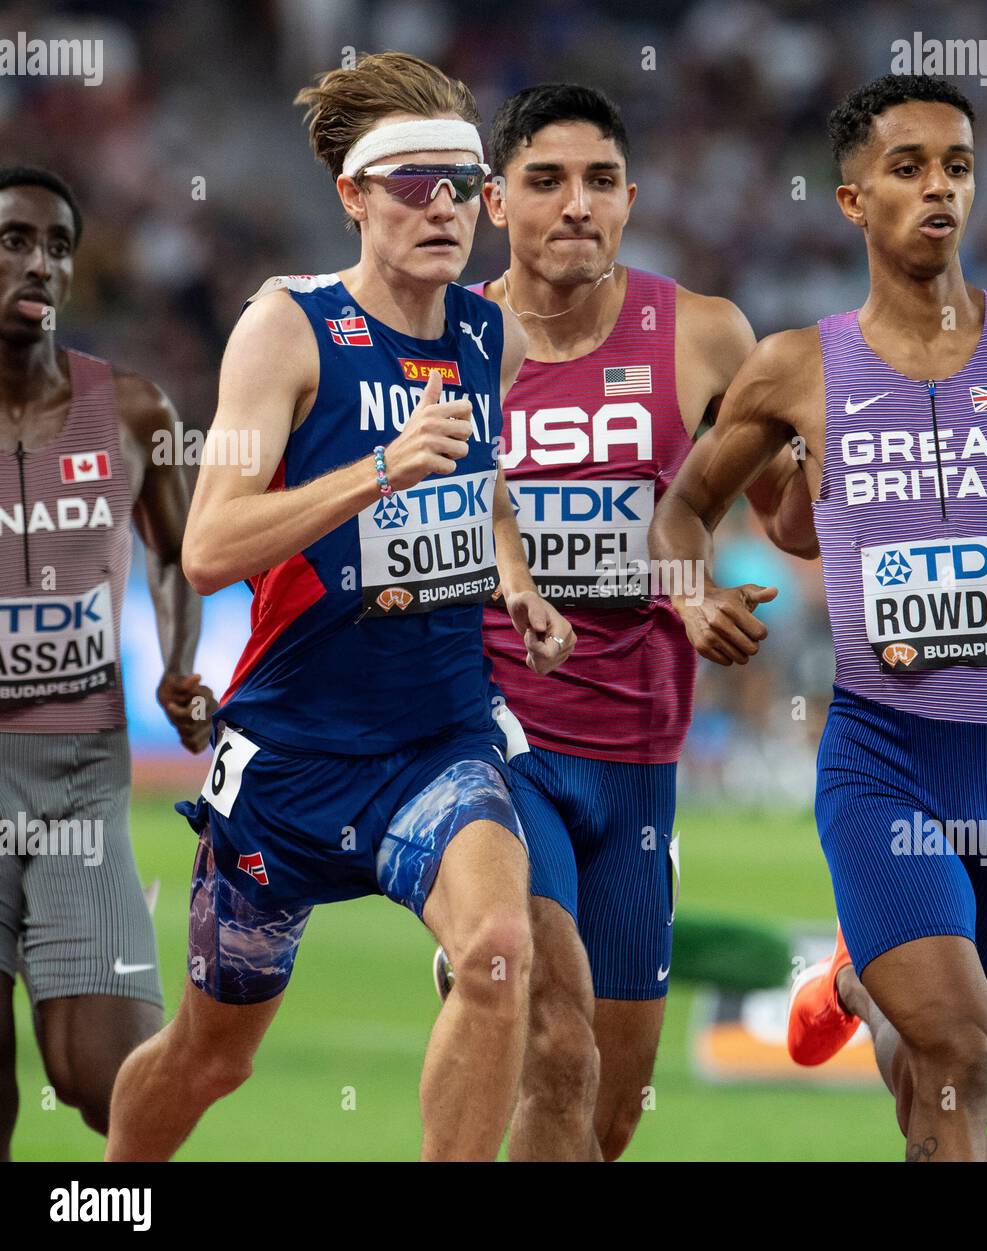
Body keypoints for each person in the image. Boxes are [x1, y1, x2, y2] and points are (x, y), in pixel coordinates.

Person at [649, 74, 987, 1161]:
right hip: (883, 761)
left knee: (950, 1088)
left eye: (956, 165)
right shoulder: (793, 370)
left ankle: (860, 981)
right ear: (853, 202)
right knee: (953, 1046)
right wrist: (690, 594)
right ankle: (883, 979)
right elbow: (680, 514)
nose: (938, 187)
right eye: (907, 168)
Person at [104, 52, 573, 1163]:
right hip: (293, 760)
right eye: (411, 181)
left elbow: (483, 476)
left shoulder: (482, 333)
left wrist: (513, 575)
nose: (444, 205)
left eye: (463, 181)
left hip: (438, 740)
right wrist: (379, 473)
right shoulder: (289, 328)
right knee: (214, 1057)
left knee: (499, 952)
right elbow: (210, 548)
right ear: (352, 195)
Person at [453, 83, 814, 1160]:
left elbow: (783, 524)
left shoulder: (703, 335)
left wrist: (822, 446)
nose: (576, 205)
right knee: (556, 1047)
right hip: (494, 740)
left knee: (609, 1103)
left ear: (631, 199)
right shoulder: (446, 340)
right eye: (545, 181)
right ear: (491, 202)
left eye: (600, 181)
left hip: (639, 755)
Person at [0, 166, 209, 1158]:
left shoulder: (132, 410)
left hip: (84, 774)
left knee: (105, 1083)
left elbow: (181, 559)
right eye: (13, 241)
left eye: (56, 245)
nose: (38, 262)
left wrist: (176, 665)